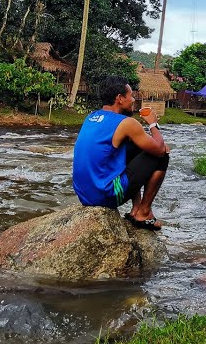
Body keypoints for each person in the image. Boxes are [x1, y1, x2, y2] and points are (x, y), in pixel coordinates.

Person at [71, 76, 170, 231]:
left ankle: (135, 208)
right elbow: (159, 149)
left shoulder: (90, 117)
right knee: (162, 155)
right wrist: (153, 123)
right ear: (119, 98)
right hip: (105, 195)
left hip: (84, 195)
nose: (133, 100)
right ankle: (143, 213)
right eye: (130, 96)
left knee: (134, 146)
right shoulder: (127, 123)